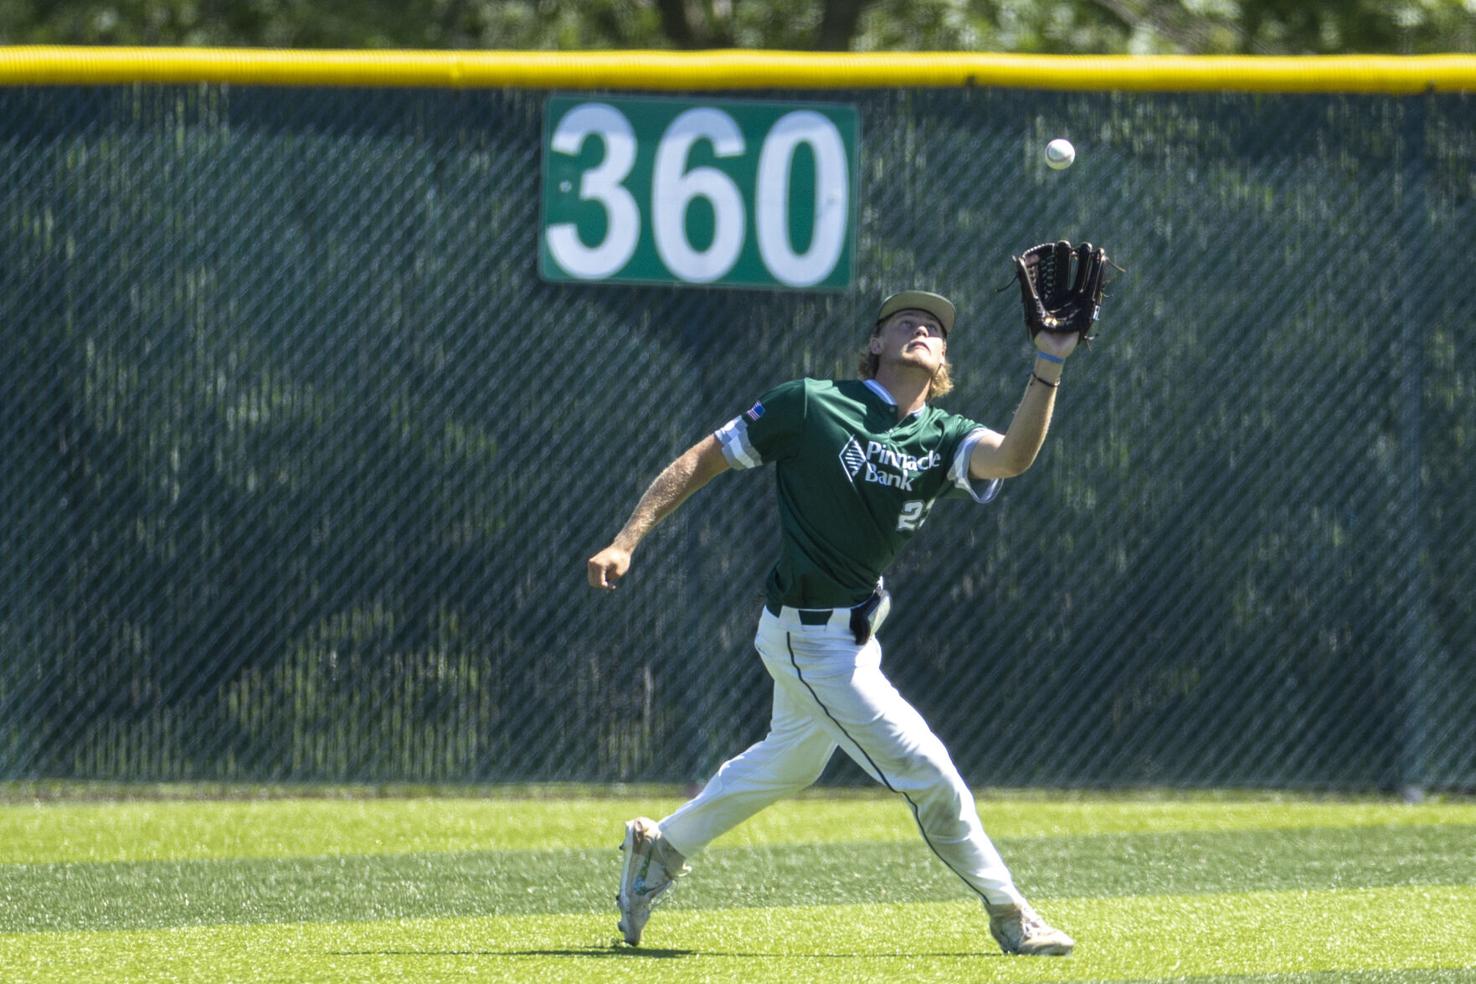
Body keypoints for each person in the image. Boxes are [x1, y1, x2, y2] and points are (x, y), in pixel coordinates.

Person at [586, 289, 1080, 956]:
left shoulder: (942, 436)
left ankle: (660, 847)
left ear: (943, 358)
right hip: (808, 639)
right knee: (929, 771)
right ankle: (1009, 910)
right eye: (905, 320)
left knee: (788, 765)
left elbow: (1014, 455)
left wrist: (1048, 362)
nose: (922, 329)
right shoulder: (812, 403)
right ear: (874, 346)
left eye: (934, 327)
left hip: (852, 636)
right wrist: (626, 538)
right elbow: (700, 459)